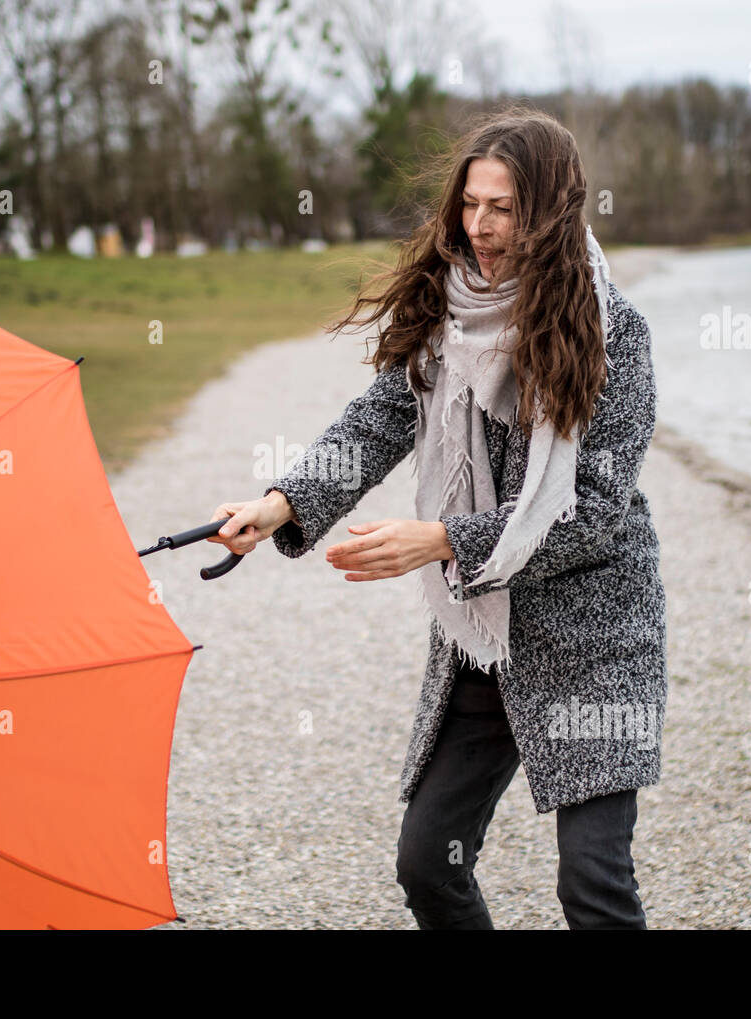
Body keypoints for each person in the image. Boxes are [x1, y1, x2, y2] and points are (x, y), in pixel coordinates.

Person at [208, 105, 667, 930]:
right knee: (427, 865)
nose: (480, 227)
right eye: (471, 204)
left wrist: (446, 538)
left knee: (592, 886)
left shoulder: (613, 333)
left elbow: (593, 513)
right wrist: (273, 505)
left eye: (504, 209)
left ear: (552, 213)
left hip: (597, 633)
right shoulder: (448, 310)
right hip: (484, 632)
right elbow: (377, 419)